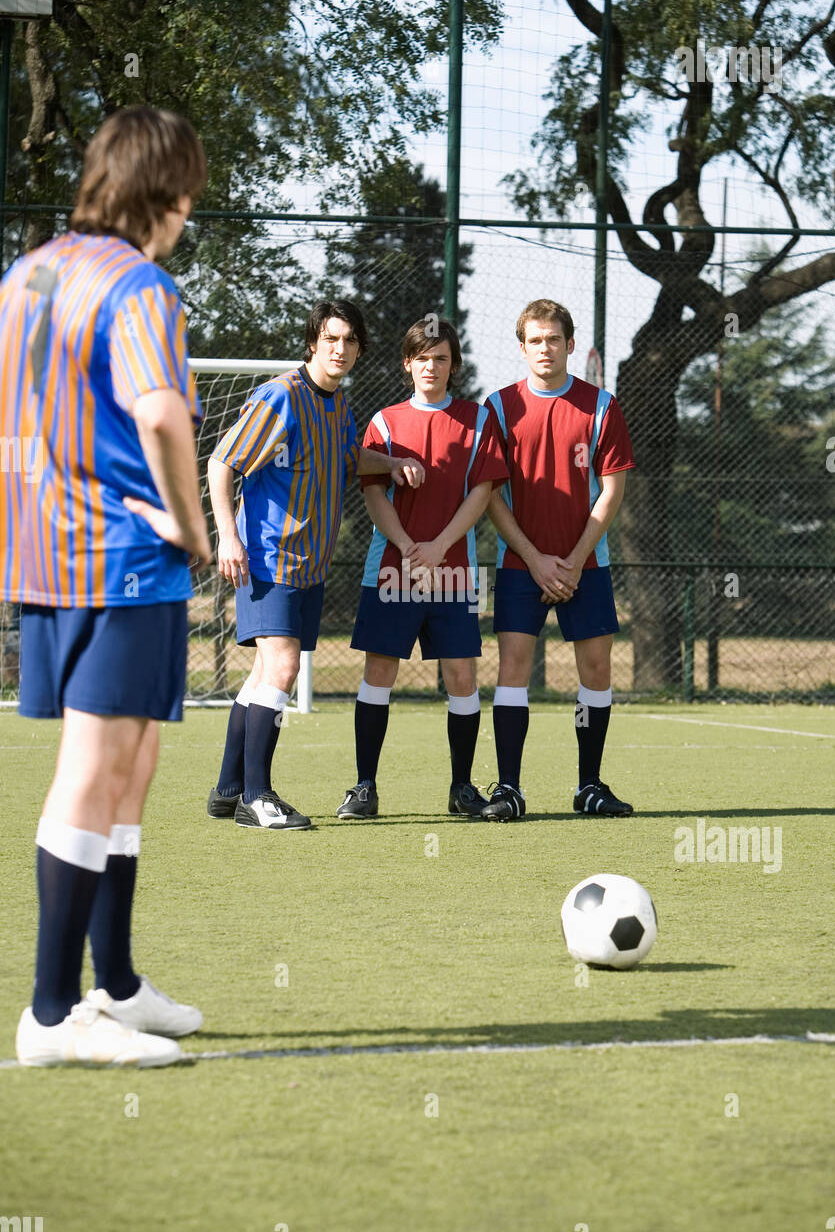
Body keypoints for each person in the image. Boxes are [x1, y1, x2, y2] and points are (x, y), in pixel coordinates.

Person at [1, 106, 211, 1067]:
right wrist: (190, 522)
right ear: (163, 196)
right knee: (95, 768)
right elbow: (164, 420)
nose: (185, 217)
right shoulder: (139, 288)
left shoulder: (26, 273)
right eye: (186, 200)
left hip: (43, 553)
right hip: (121, 559)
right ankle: (51, 1017)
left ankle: (116, 983)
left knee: (132, 763)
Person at [206, 300, 424, 829]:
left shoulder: (336, 405)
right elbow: (221, 461)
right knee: (282, 667)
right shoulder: (282, 396)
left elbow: (350, 457)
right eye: (330, 338)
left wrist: (391, 463)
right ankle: (257, 798)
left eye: (349, 341)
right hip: (269, 557)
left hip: (309, 565)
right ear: (312, 343)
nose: (340, 349)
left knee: (262, 674)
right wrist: (228, 538)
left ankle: (229, 787)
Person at [336, 318, 508, 821]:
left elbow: (482, 492)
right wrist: (411, 546)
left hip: (452, 571)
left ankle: (462, 788)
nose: (431, 367)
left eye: (442, 358)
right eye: (422, 357)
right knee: (379, 672)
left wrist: (440, 546)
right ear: (407, 363)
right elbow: (372, 493)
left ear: (453, 365)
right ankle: (364, 787)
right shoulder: (385, 422)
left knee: (460, 674)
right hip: (392, 569)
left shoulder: (477, 420)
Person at [481, 300, 635, 822]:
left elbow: (612, 491)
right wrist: (536, 559)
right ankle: (508, 790)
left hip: (586, 564)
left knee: (596, 669)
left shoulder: (601, 405)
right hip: (521, 565)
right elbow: (491, 495)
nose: (544, 349)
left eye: (553, 339)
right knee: (513, 669)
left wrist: (570, 560)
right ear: (521, 348)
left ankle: (589, 786)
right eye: (534, 340)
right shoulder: (498, 408)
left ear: (570, 344)